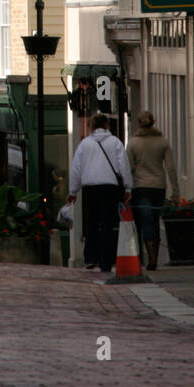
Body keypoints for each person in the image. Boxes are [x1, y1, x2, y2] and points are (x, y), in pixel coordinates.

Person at [67, 113, 131, 273]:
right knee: (108, 223)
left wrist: (73, 191)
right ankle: (106, 261)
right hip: (110, 187)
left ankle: (90, 257)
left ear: (91, 126)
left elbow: (76, 168)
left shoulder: (85, 144)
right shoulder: (115, 142)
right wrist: (128, 187)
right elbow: (124, 166)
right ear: (107, 125)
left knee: (92, 222)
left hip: (91, 187)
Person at [125, 110, 177, 271]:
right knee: (154, 220)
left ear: (139, 124)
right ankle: (153, 254)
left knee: (144, 222)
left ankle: (149, 257)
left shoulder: (133, 143)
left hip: (140, 187)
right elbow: (170, 167)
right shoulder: (163, 142)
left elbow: (129, 167)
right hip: (158, 186)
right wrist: (176, 190)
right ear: (153, 122)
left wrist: (127, 188)